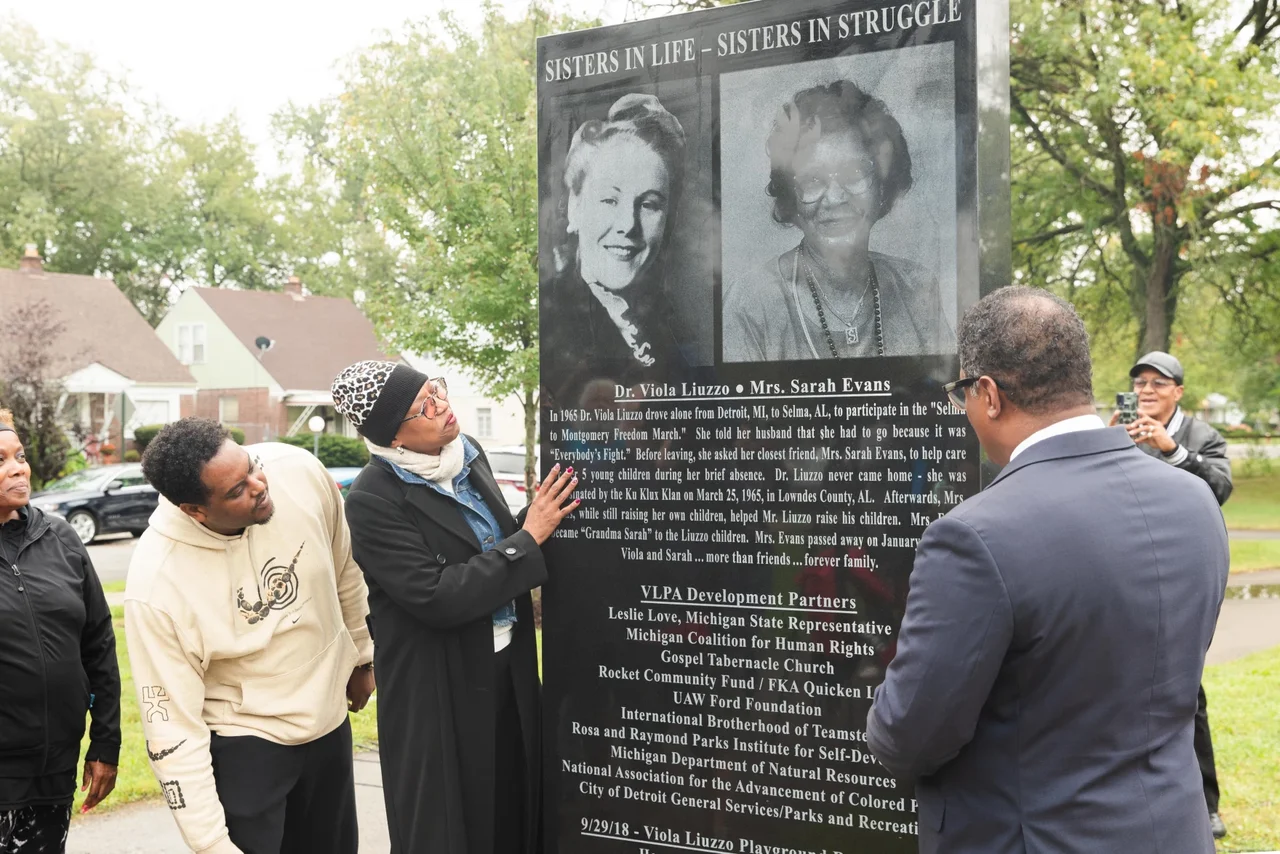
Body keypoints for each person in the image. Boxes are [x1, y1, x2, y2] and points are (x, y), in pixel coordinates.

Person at [867, 287, 1228, 853]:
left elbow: (910, 735)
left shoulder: (974, 536)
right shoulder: (1194, 501)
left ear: (987, 393)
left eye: (961, 392)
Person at [331, 361, 579, 854]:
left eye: (436, 390)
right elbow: (435, 596)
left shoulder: (467, 454)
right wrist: (529, 538)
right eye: (423, 406)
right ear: (393, 438)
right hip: (439, 682)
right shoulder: (372, 498)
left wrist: (535, 519)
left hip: (508, 665)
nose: (442, 406)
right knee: (453, 821)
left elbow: (492, 540)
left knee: (515, 796)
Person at [125, 418, 374, 854]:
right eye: (236, 490)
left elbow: (344, 568)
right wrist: (211, 844)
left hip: (327, 722)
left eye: (252, 467)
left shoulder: (298, 472)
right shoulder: (158, 583)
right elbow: (171, 730)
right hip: (245, 741)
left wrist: (361, 657)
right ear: (194, 510)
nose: (259, 485)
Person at [723, 79, 953, 362]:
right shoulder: (751, 302)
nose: (834, 198)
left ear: (883, 185)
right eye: (813, 180)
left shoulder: (916, 289)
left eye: (854, 173)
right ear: (791, 198)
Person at [1112, 350, 1233, 839]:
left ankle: (1205, 805)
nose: (1146, 391)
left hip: (1182, 573)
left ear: (1178, 391)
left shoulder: (1201, 436)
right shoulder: (1120, 432)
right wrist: (1106, 440)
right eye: (1139, 383)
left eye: (1158, 384)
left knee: (1186, 689)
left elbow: (1220, 488)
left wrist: (1172, 450)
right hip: (1126, 570)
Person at [0, 409, 120, 853]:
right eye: (0, 460)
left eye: (20, 455)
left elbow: (99, 645)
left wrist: (106, 742)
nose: (19, 468)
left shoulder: (61, 538)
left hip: (54, 770)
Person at [541, 93, 688, 406]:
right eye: (609, 200)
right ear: (575, 208)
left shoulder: (663, 324)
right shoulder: (552, 316)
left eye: (648, 204)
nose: (628, 225)